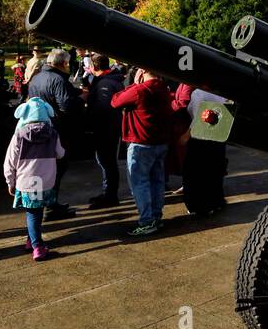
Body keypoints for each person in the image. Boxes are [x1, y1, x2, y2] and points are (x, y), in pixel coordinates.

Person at [111, 68, 173, 237]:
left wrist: (133, 84)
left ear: (143, 71)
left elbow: (115, 101)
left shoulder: (139, 90)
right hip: (160, 143)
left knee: (140, 184)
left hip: (140, 143)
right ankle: (156, 217)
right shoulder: (164, 89)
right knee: (157, 182)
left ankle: (147, 221)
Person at [3, 97, 65, 261]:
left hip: (29, 180)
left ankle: (36, 246)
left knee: (33, 213)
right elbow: (60, 154)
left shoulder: (19, 135)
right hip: (46, 180)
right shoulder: (52, 133)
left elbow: (10, 161)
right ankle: (34, 242)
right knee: (37, 212)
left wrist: (10, 181)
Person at [27, 49, 84, 220]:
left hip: (40, 128)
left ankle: (49, 205)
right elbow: (66, 106)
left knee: (48, 168)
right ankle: (50, 206)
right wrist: (83, 99)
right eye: (67, 64)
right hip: (57, 130)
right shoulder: (58, 79)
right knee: (58, 168)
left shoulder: (37, 77)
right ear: (63, 63)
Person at [173, 83, 229, 215]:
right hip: (218, 137)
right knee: (214, 170)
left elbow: (199, 118)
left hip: (200, 138)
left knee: (194, 172)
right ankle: (216, 201)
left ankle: (197, 206)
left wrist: (186, 136)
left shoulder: (199, 94)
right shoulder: (222, 94)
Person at [84, 53, 125, 209]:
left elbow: (103, 108)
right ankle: (108, 193)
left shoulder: (104, 83)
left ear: (94, 67)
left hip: (106, 128)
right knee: (107, 161)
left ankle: (110, 195)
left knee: (107, 161)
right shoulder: (112, 80)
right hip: (110, 127)